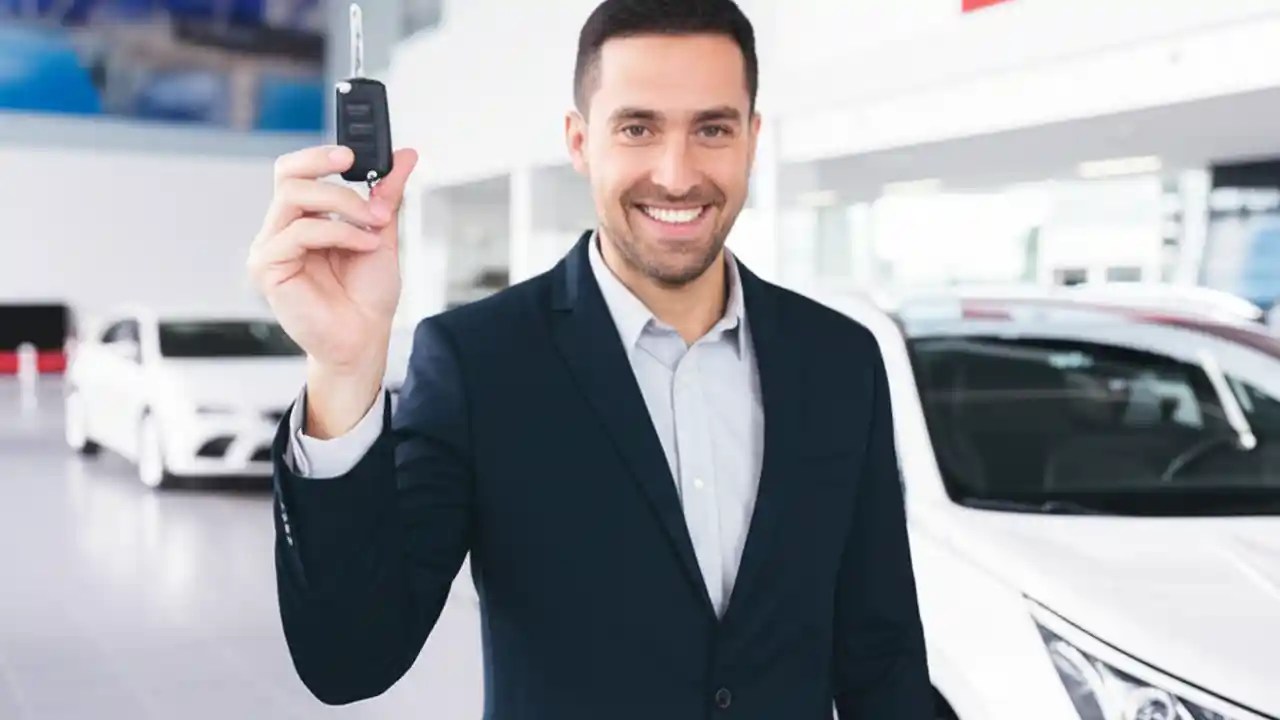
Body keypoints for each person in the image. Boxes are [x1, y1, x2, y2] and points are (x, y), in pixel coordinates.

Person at [245, 0, 933, 717]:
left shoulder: (841, 360)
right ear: (579, 141)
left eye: (713, 128)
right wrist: (344, 371)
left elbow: (880, 654)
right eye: (637, 128)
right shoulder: (480, 364)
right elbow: (349, 658)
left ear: (752, 139)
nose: (676, 173)